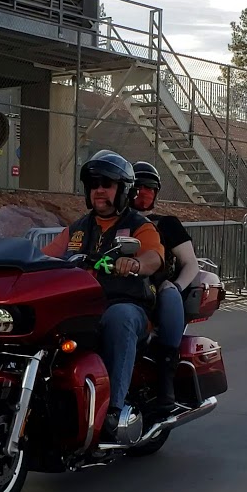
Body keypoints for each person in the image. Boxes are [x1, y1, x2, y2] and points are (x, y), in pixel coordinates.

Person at [41, 150, 165, 439]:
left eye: (107, 184)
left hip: (127, 304)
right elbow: (44, 257)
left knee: (118, 318)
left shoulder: (139, 226)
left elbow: (153, 257)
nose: (99, 190)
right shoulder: (78, 230)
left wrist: (135, 263)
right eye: (94, 183)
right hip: (84, 307)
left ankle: (113, 411)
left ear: (122, 190)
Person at [130, 161, 200, 415]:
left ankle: (166, 378)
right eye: (139, 186)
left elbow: (190, 263)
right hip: (123, 286)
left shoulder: (167, 223)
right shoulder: (117, 221)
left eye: (150, 188)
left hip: (157, 288)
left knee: (169, 293)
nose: (144, 192)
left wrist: (176, 284)